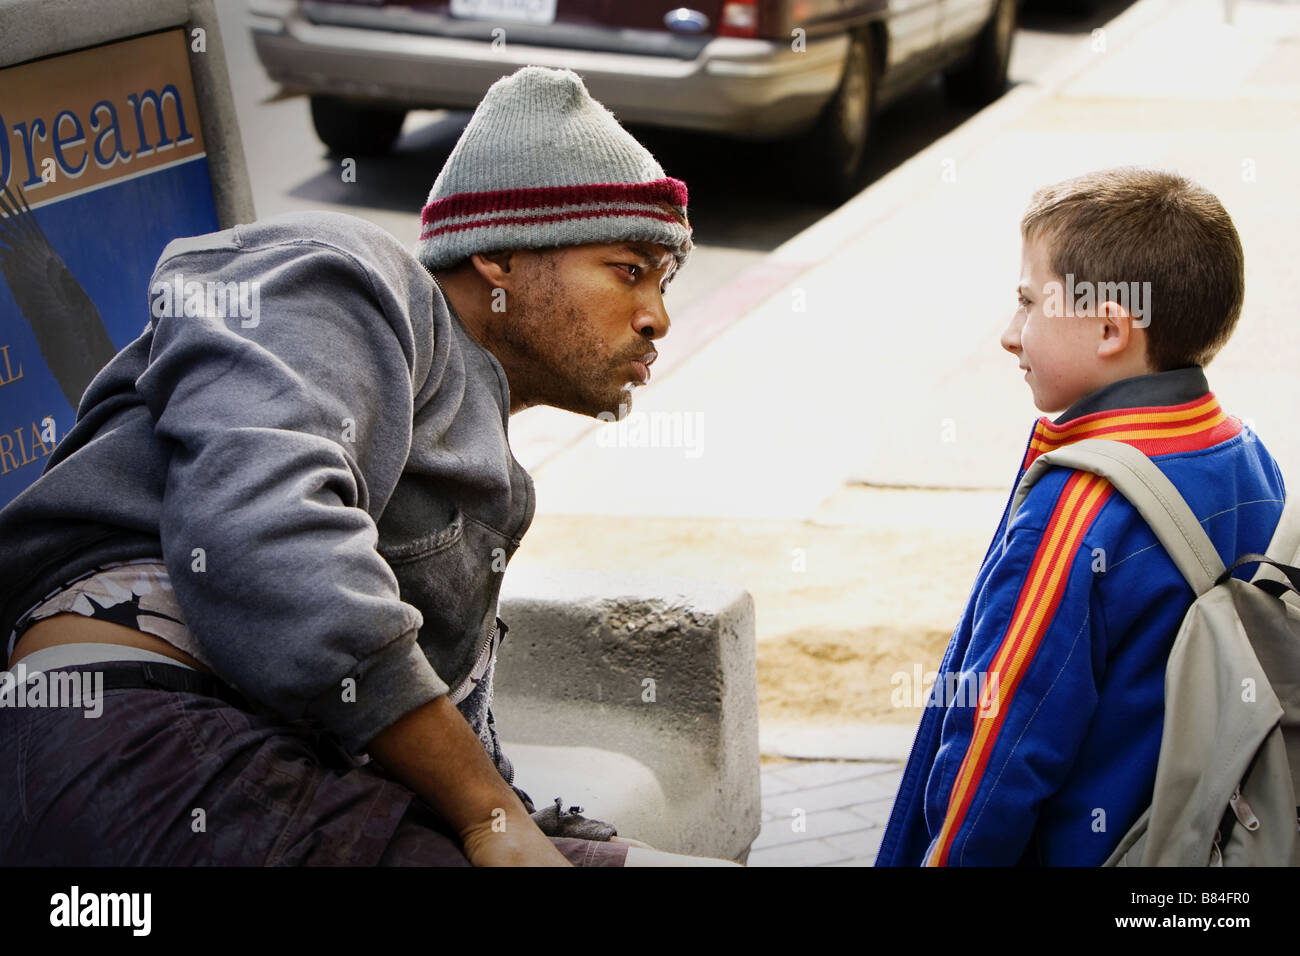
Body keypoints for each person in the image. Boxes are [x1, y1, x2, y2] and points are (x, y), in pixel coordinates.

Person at [0, 66, 734, 866]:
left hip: (281, 770)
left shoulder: (477, 452)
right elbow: (264, 539)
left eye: (665, 283)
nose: (657, 317)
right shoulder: (346, 273)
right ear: (501, 257)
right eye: (629, 270)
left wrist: (512, 812)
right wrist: (493, 816)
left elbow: (414, 724)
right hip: (136, 744)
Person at [875, 167, 1286, 866]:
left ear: (1108, 327)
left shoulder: (1075, 511)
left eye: (1028, 302)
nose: (1010, 334)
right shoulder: (1248, 455)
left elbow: (999, 747)